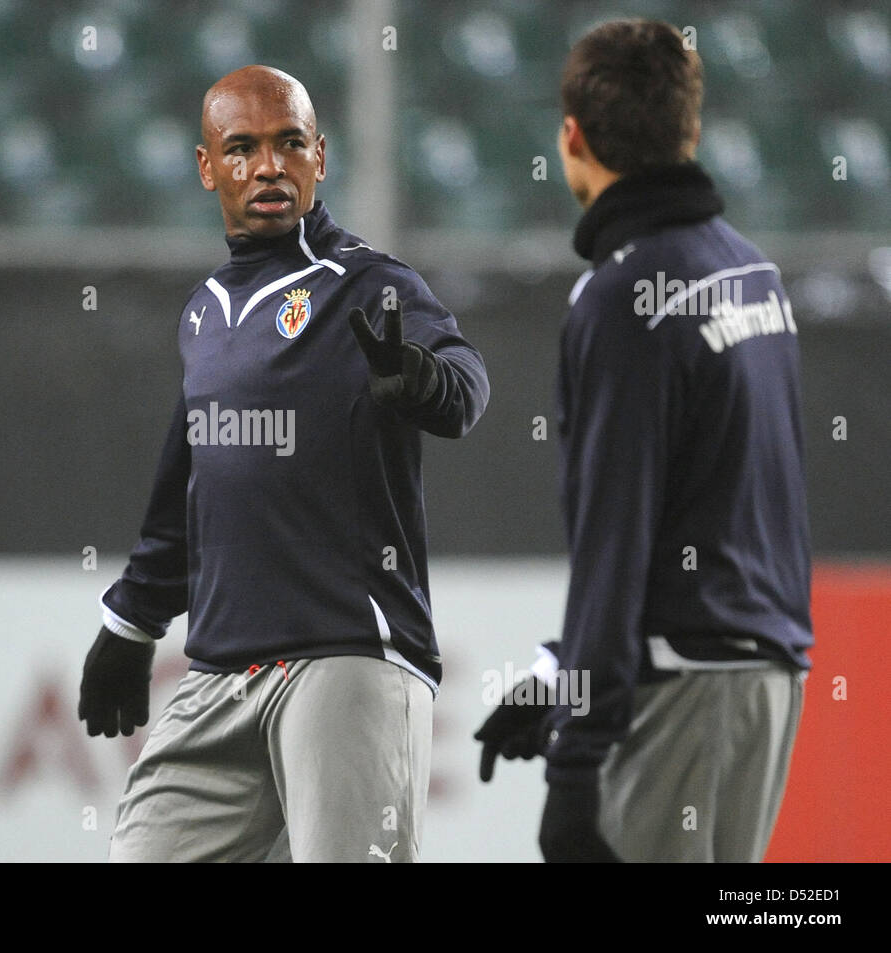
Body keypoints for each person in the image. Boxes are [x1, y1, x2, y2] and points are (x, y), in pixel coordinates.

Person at [78, 65, 489, 863]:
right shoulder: (204, 312)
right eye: (242, 149)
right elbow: (184, 491)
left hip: (344, 657)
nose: (268, 167)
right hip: (220, 669)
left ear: (320, 157)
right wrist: (129, 623)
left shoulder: (368, 285)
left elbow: (467, 387)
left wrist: (423, 379)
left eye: (289, 144)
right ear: (207, 167)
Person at [474, 19, 811, 862]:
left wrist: (576, 761)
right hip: (767, 679)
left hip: (678, 691)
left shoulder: (622, 297)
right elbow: (721, 507)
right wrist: (565, 670)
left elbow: (616, 537)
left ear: (572, 137)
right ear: (691, 131)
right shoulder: (756, 279)